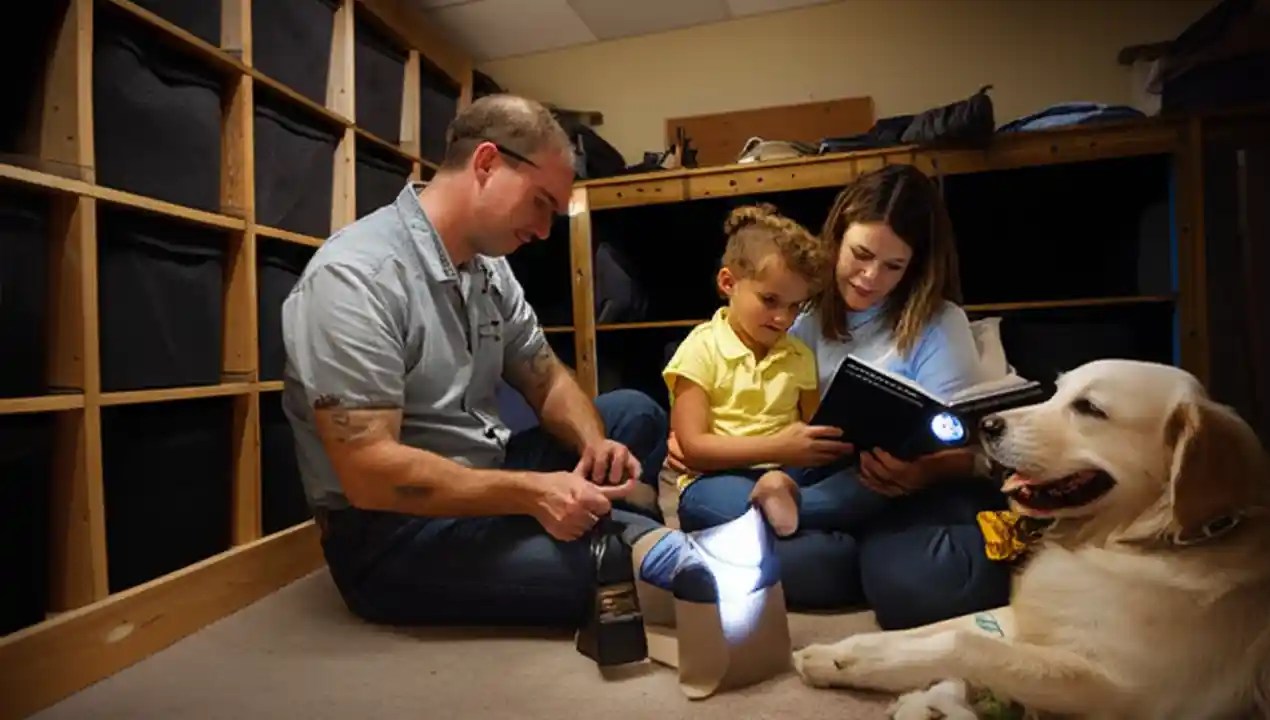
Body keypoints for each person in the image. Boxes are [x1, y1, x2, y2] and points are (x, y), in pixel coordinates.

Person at [279, 93, 712, 628]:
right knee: (629, 570)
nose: (545, 230)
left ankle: (614, 524)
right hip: (393, 530)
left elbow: (546, 376)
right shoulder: (355, 276)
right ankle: (627, 536)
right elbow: (370, 474)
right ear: (486, 163)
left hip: (486, 472)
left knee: (631, 413)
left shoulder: (489, 270)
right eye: (540, 203)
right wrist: (532, 494)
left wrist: (592, 443)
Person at [671, 164, 1011, 631]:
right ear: (837, 236)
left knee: (915, 589)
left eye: (894, 266)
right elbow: (764, 406)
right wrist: (715, 443)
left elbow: (964, 449)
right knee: (715, 503)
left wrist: (917, 473)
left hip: (898, 489)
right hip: (809, 475)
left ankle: (812, 533)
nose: (871, 277)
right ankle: (827, 545)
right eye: (861, 254)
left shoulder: (938, 322)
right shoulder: (802, 312)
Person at [662, 203, 855, 538]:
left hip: (790, 473)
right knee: (705, 503)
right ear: (728, 282)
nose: (783, 318)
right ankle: (796, 512)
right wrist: (776, 448)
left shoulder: (799, 354)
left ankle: (788, 508)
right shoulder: (700, 348)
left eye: (795, 306)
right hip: (717, 478)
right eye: (770, 300)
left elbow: (812, 435)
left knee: (863, 484)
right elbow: (693, 448)